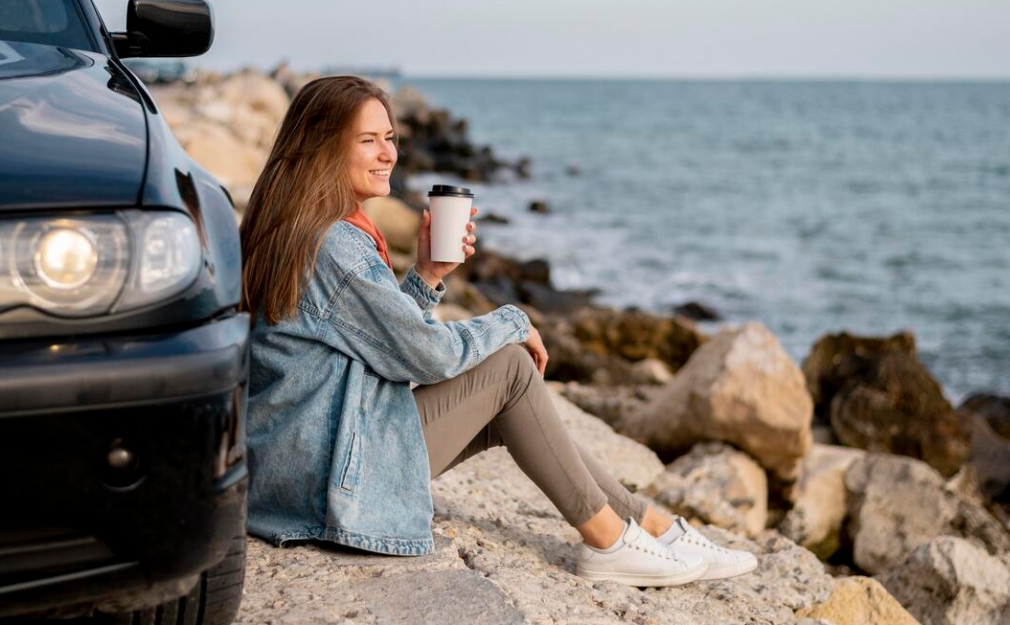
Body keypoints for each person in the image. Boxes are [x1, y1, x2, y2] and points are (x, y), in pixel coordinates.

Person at [240, 75, 757, 587]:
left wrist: (427, 277)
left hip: (305, 467)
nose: (388, 154)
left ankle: (648, 525)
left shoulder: (303, 227)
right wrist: (512, 319)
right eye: (368, 140)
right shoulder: (336, 245)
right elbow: (426, 357)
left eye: (391, 138)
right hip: (321, 482)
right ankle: (607, 541)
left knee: (513, 405)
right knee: (509, 369)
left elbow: (380, 345)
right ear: (323, 147)